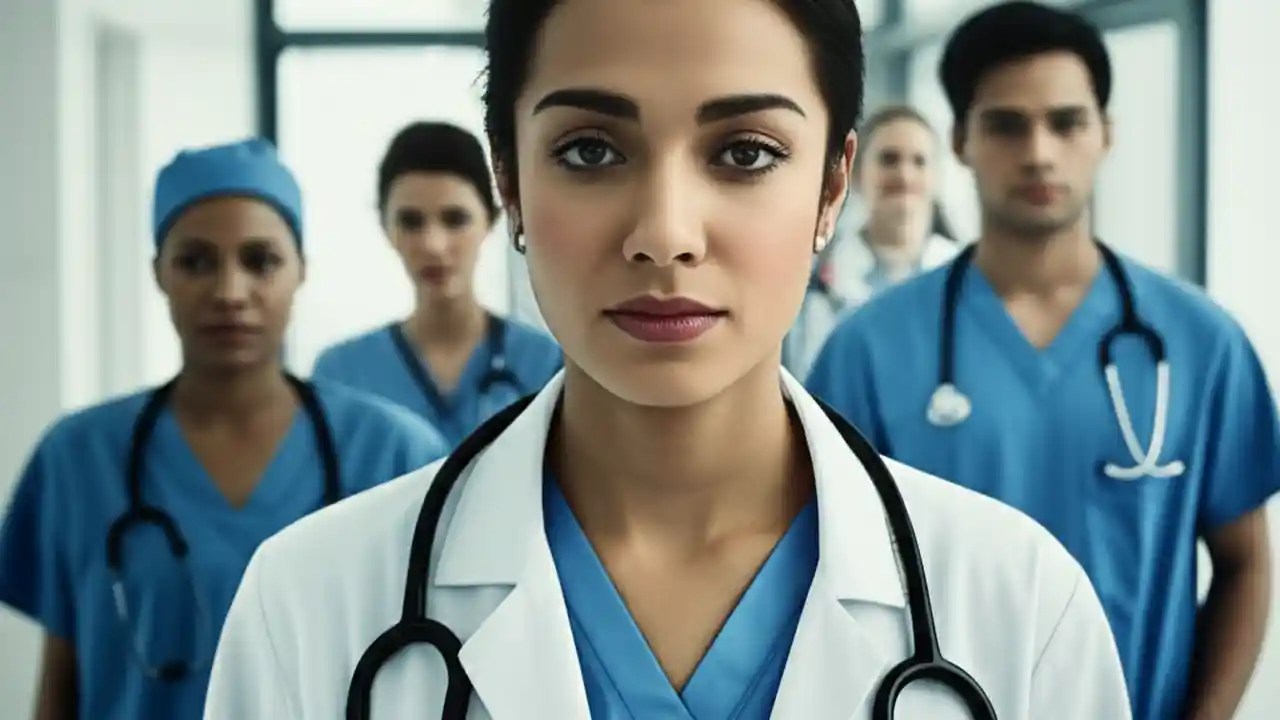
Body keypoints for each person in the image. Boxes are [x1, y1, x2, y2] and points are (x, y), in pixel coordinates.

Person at [203, 2, 1131, 718]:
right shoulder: (309, 608)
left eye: (745, 152)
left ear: (831, 186)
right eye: (592, 149)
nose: (664, 234)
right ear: (510, 181)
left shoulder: (1021, 613)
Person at [806, 3, 1280, 719]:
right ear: (961, 140)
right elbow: (820, 570)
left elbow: (1244, 561)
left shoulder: (1202, 344)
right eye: (1006, 124)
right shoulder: (867, 351)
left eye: (1066, 122)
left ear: (1106, 134)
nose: (1039, 152)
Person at [0, 138, 449, 720]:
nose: (230, 292)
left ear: (300, 271)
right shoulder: (77, 458)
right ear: (158, 272)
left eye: (261, 261)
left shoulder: (396, 454)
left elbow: (441, 666)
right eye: (196, 261)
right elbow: (62, 680)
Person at [311, 122, 563, 447]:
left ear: (493, 220)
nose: (433, 244)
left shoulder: (546, 364)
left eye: (455, 219)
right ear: (385, 225)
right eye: (411, 222)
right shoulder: (342, 374)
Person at [785, 105, 960, 376]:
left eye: (919, 161)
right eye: (889, 159)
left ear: (936, 177)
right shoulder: (813, 281)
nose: (904, 175)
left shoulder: (966, 276)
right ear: (854, 173)